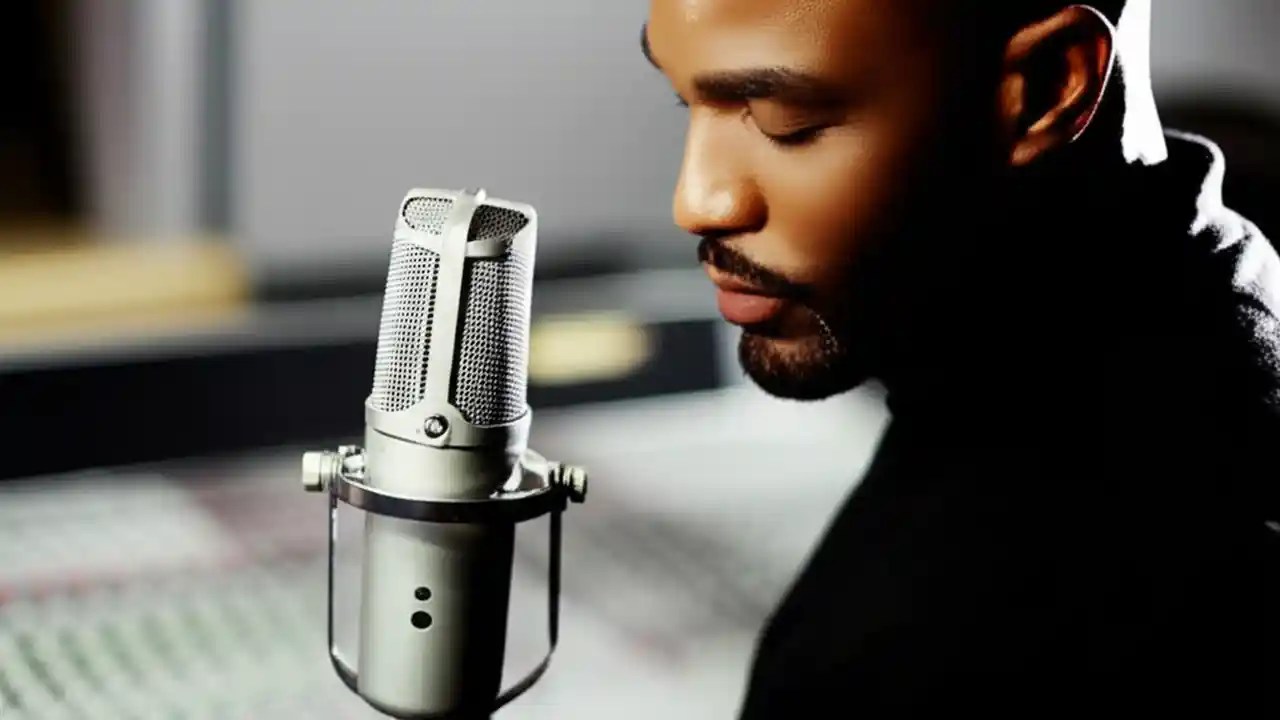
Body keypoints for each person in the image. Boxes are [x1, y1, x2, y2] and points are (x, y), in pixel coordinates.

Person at [642, 0, 1277, 714]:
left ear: (1046, 87)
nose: (695, 202)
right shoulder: (1022, 348)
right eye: (684, 97)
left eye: (786, 119)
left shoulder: (1108, 578)